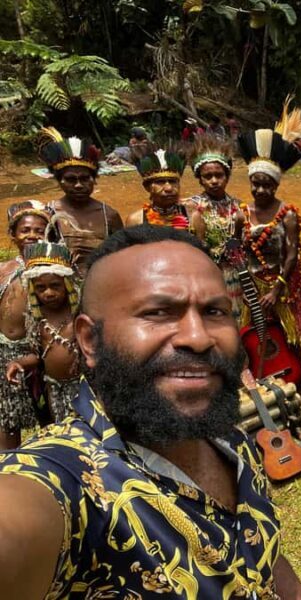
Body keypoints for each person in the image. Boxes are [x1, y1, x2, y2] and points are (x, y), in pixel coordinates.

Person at [0, 225, 301, 598]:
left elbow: (265, 554)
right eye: (159, 312)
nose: (198, 337)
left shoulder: (230, 439)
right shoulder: (70, 478)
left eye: (214, 311)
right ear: (89, 340)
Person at [236, 104, 301, 380]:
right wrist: (245, 285)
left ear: (276, 185)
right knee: (256, 332)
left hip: (280, 284)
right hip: (253, 284)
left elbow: (292, 254)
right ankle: (261, 372)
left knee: (287, 332)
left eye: (267, 185)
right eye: (255, 184)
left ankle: (296, 374)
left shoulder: (288, 214)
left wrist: (277, 290)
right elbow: (236, 252)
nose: (260, 190)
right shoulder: (241, 214)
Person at [6, 241, 80, 424]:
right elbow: (38, 356)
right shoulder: (36, 319)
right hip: (53, 391)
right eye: (41, 288)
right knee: (62, 435)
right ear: (33, 289)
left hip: (84, 389)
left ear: (67, 284)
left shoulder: (80, 314)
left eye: (55, 286)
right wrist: (19, 363)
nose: (48, 293)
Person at [37, 127, 124, 277]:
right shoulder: (48, 213)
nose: (78, 185)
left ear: (94, 180)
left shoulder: (109, 215)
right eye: (71, 179)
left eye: (84, 178)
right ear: (59, 181)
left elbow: (122, 256)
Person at [0, 201, 52, 449]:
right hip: (4, 352)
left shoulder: (51, 271)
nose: (32, 235)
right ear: (12, 235)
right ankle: (7, 470)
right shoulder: (4, 269)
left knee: (47, 411)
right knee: (8, 415)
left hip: (36, 353)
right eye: (25, 230)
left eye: (39, 231)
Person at [185, 134, 247, 323]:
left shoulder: (238, 206)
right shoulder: (191, 207)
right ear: (199, 179)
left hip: (235, 275)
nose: (214, 181)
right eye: (208, 176)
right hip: (205, 275)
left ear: (227, 176)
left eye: (219, 175)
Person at [126, 144, 190, 229]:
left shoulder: (192, 217)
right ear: (147, 187)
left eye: (172, 181)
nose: (169, 188)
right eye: (160, 182)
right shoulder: (136, 221)